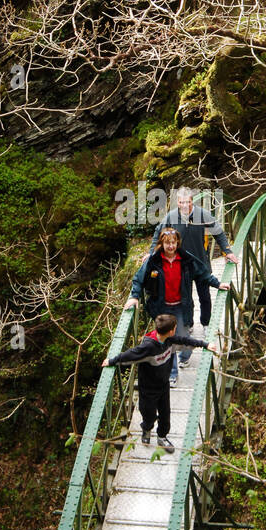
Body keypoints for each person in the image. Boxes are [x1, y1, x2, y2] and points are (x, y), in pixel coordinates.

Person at [102, 312, 219, 452]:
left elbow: (185, 340)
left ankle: (162, 437)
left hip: (163, 385)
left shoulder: (170, 341)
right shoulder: (148, 347)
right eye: (175, 328)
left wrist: (204, 344)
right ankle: (146, 429)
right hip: (148, 388)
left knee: (165, 414)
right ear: (170, 331)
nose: (176, 330)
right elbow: (129, 355)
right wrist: (111, 361)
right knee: (148, 413)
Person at [126, 226, 229, 384]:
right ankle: (172, 374)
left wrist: (218, 284)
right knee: (169, 340)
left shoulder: (185, 259)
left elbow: (203, 273)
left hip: (181, 306)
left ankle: (185, 356)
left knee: (184, 337)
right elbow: (138, 279)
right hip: (162, 308)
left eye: (173, 243)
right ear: (162, 243)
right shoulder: (154, 261)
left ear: (177, 243)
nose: (171, 246)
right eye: (167, 243)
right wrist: (134, 297)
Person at [148, 187, 239, 330]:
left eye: (188, 202)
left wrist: (227, 251)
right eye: (182, 202)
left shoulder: (202, 214)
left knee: (205, 297)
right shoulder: (171, 217)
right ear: (177, 202)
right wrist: (151, 254)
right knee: (186, 299)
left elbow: (218, 232)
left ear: (192, 201)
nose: (185, 205)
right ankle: (188, 324)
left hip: (201, 262)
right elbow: (158, 234)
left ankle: (206, 323)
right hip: (181, 265)